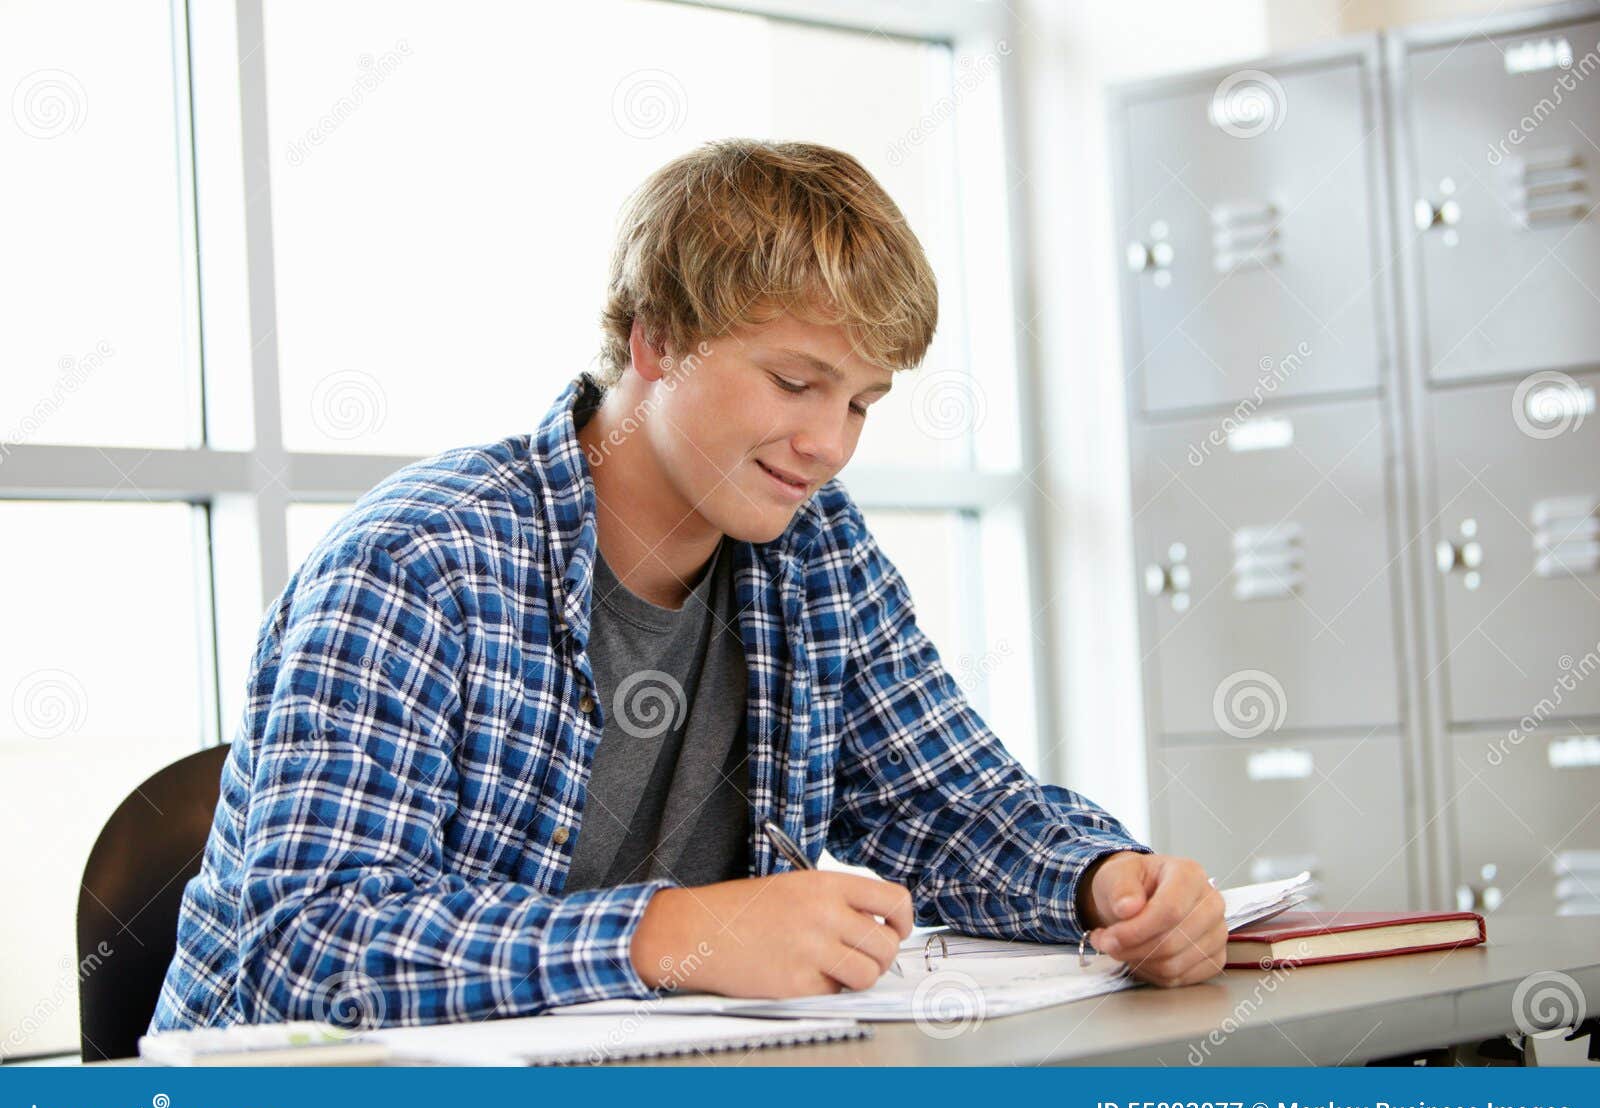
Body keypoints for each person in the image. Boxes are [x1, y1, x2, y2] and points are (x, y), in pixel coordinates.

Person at [153, 139, 1225, 1032]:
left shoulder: (816, 553)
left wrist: (1103, 883)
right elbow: (309, 947)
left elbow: (943, 804)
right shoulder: (419, 561)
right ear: (655, 340)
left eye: (861, 402)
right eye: (796, 382)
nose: (827, 445)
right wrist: (678, 932)